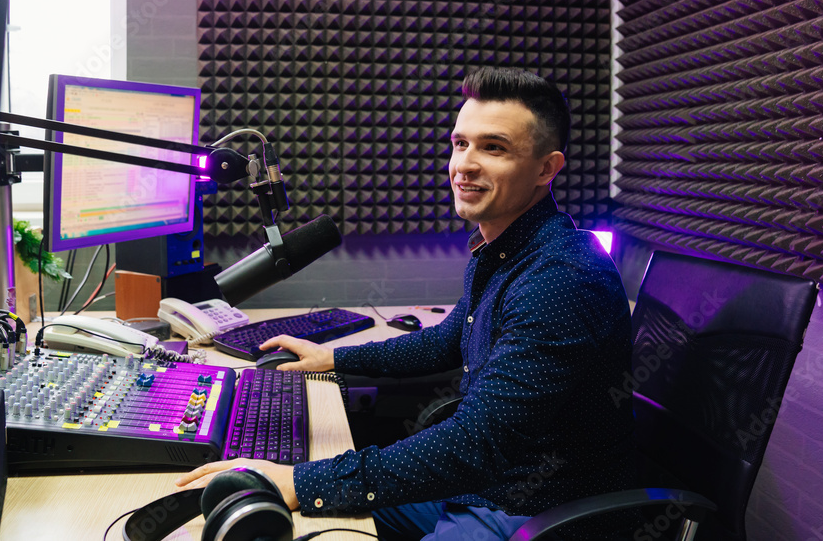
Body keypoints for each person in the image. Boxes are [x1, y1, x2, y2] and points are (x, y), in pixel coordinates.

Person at [177, 67, 634, 540]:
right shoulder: (502, 249)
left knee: (304, 504)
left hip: (530, 508)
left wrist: (302, 482)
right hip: (478, 485)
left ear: (546, 168)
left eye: (493, 148)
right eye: (460, 143)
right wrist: (332, 358)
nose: (464, 165)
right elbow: (447, 340)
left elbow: (478, 444)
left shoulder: (561, 278)